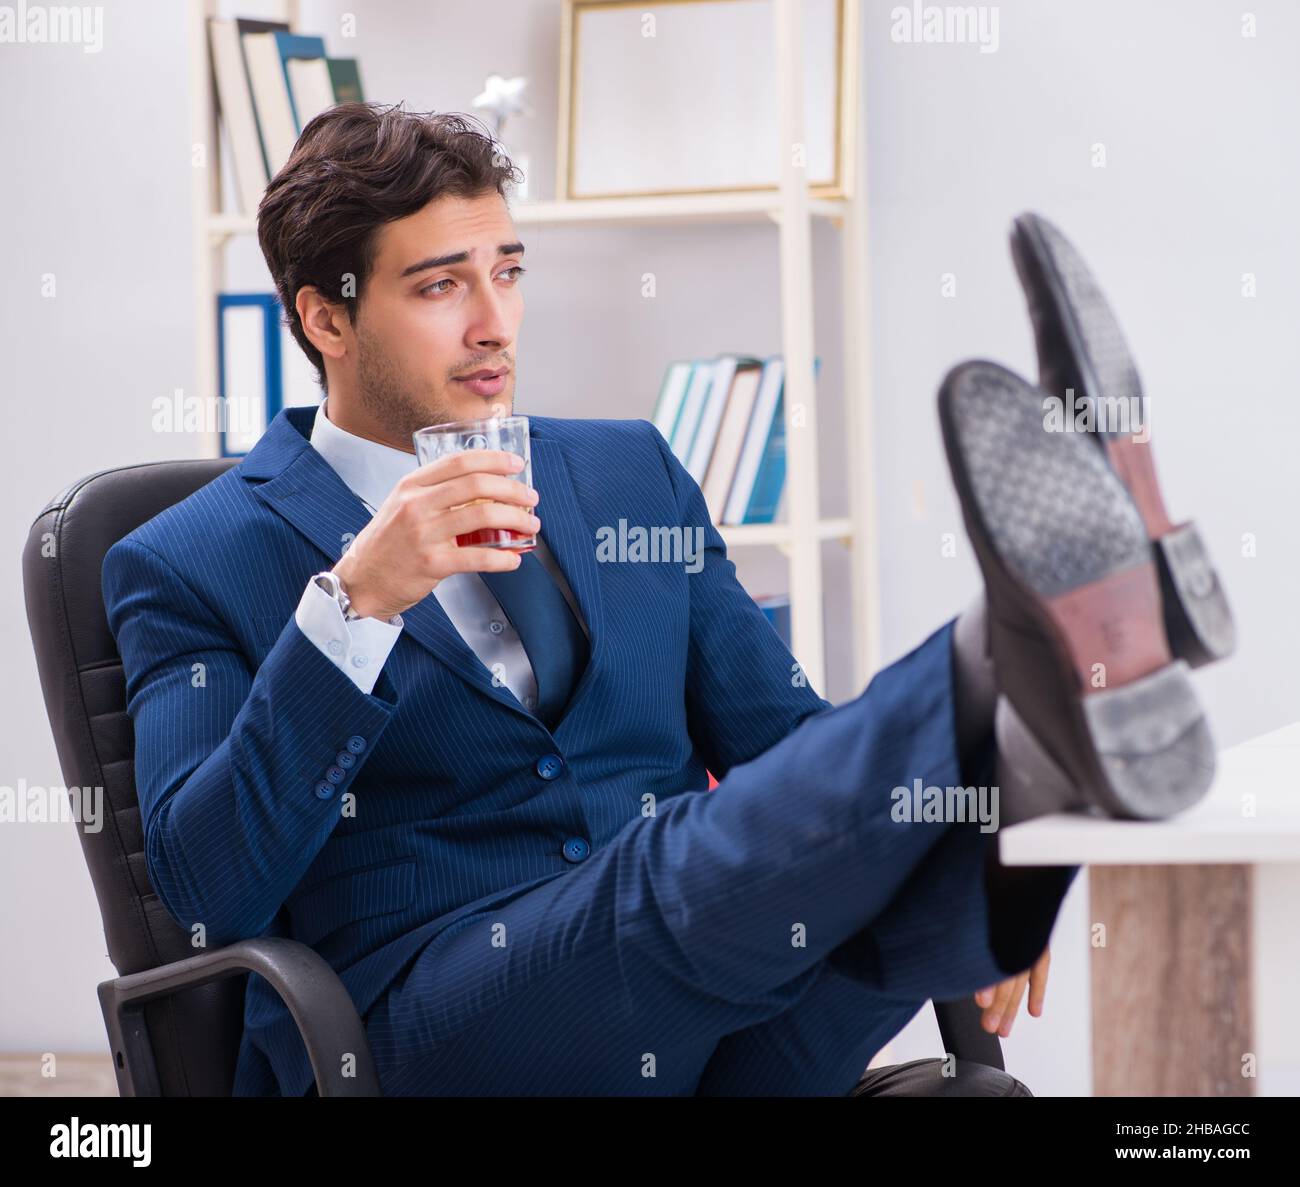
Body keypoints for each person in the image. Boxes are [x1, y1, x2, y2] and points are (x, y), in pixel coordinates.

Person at [101, 104, 1230, 1097]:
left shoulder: (628, 471)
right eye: (441, 283)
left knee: (932, 889)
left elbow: (790, 747)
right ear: (326, 319)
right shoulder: (190, 558)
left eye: (508, 267)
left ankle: (1034, 735)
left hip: (716, 1026)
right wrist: (355, 601)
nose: (494, 318)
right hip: (437, 1026)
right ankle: (1020, 655)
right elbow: (207, 894)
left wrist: (977, 842)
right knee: (665, 865)